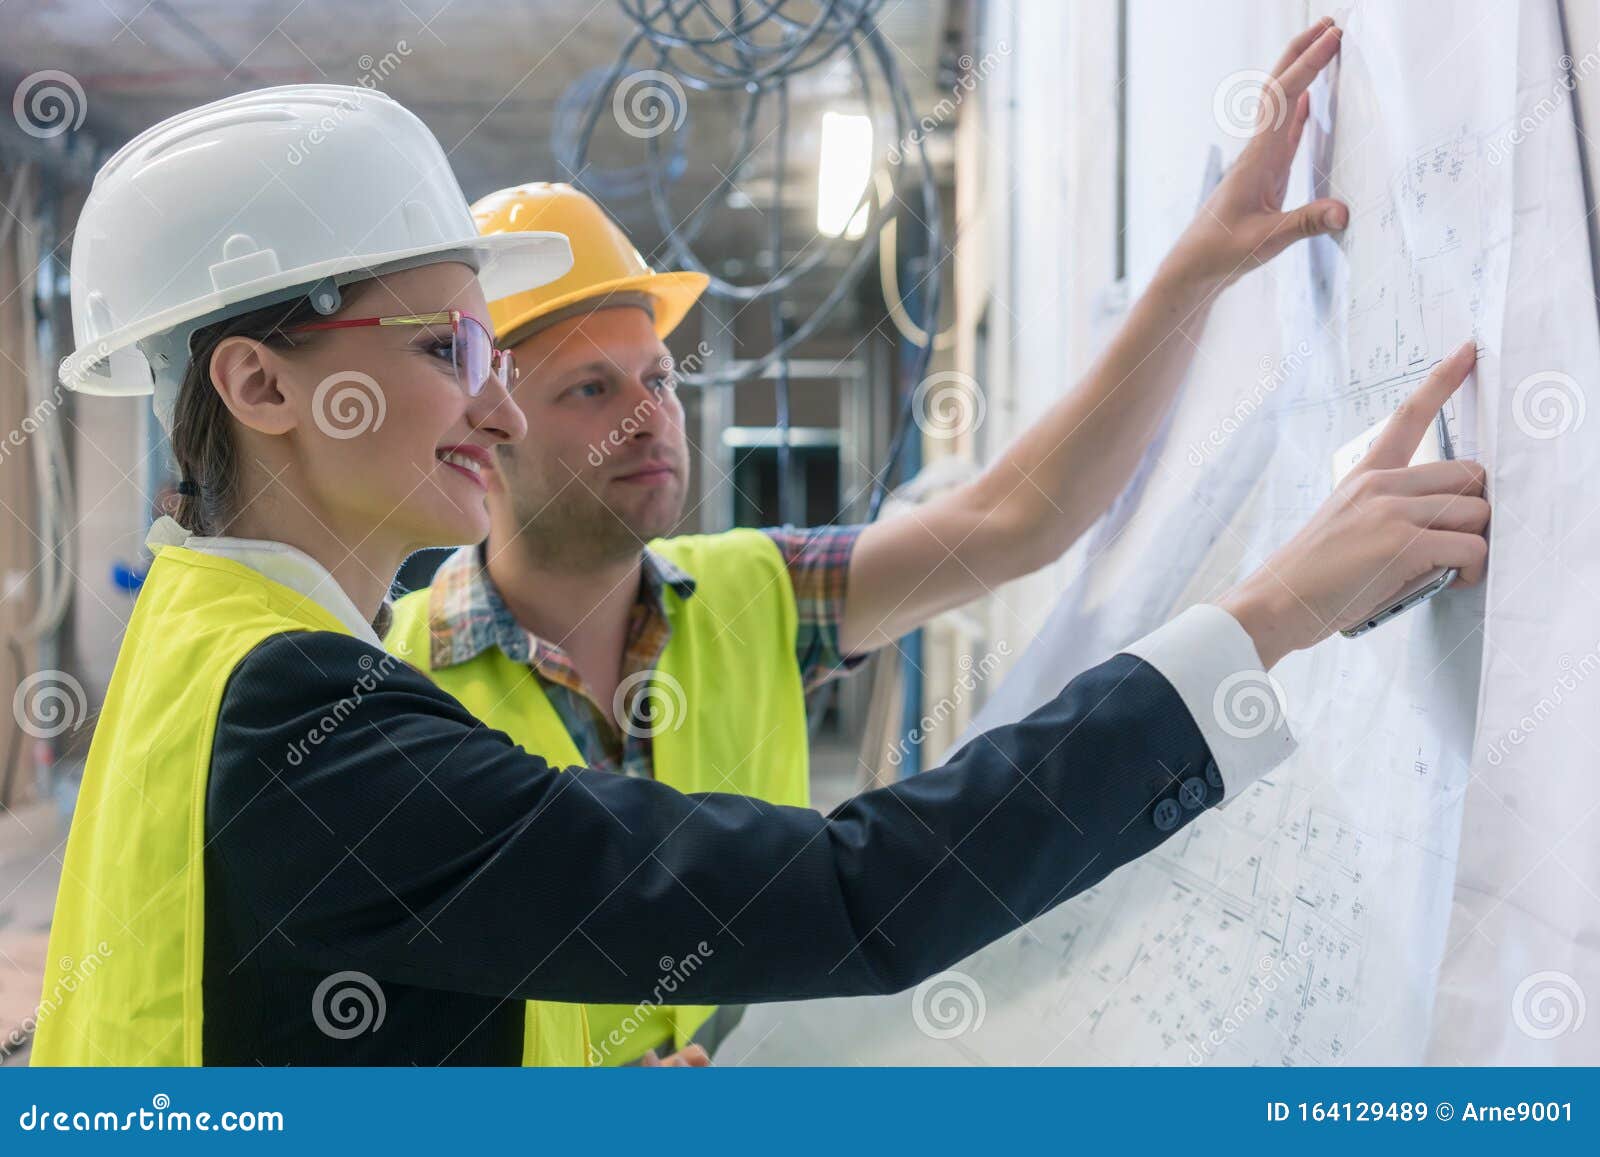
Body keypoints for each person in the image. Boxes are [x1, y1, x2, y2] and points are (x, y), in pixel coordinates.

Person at [33, 31, 1489, 1068]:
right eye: (452, 345)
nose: (489, 396)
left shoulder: (206, 654)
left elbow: (1011, 524)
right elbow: (859, 893)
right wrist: (1274, 615)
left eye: (652, 375)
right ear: (262, 385)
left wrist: (1191, 276)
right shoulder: (324, 722)